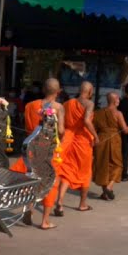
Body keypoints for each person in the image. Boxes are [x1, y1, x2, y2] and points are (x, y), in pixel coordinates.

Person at [10, 78, 64, 229]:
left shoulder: (30, 106)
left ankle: (29, 208)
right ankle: (45, 221)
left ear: (43, 90)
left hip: (32, 148)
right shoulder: (58, 107)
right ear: (58, 92)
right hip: (48, 150)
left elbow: (28, 126)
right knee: (51, 181)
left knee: (32, 178)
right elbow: (60, 130)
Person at [56, 81, 98, 213]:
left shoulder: (68, 103)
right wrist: (96, 136)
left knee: (67, 171)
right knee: (85, 173)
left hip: (68, 139)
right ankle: (82, 204)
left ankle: (60, 202)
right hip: (82, 141)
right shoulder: (89, 103)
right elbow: (86, 121)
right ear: (90, 92)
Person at [92, 91, 128, 201]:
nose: (119, 101)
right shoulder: (118, 113)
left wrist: (95, 138)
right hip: (114, 140)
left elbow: (92, 128)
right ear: (115, 101)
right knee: (117, 165)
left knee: (102, 165)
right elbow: (126, 130)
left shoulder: (98, 113)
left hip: (100, 139)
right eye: (118, 99)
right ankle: (109, 187)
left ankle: (105, 193)